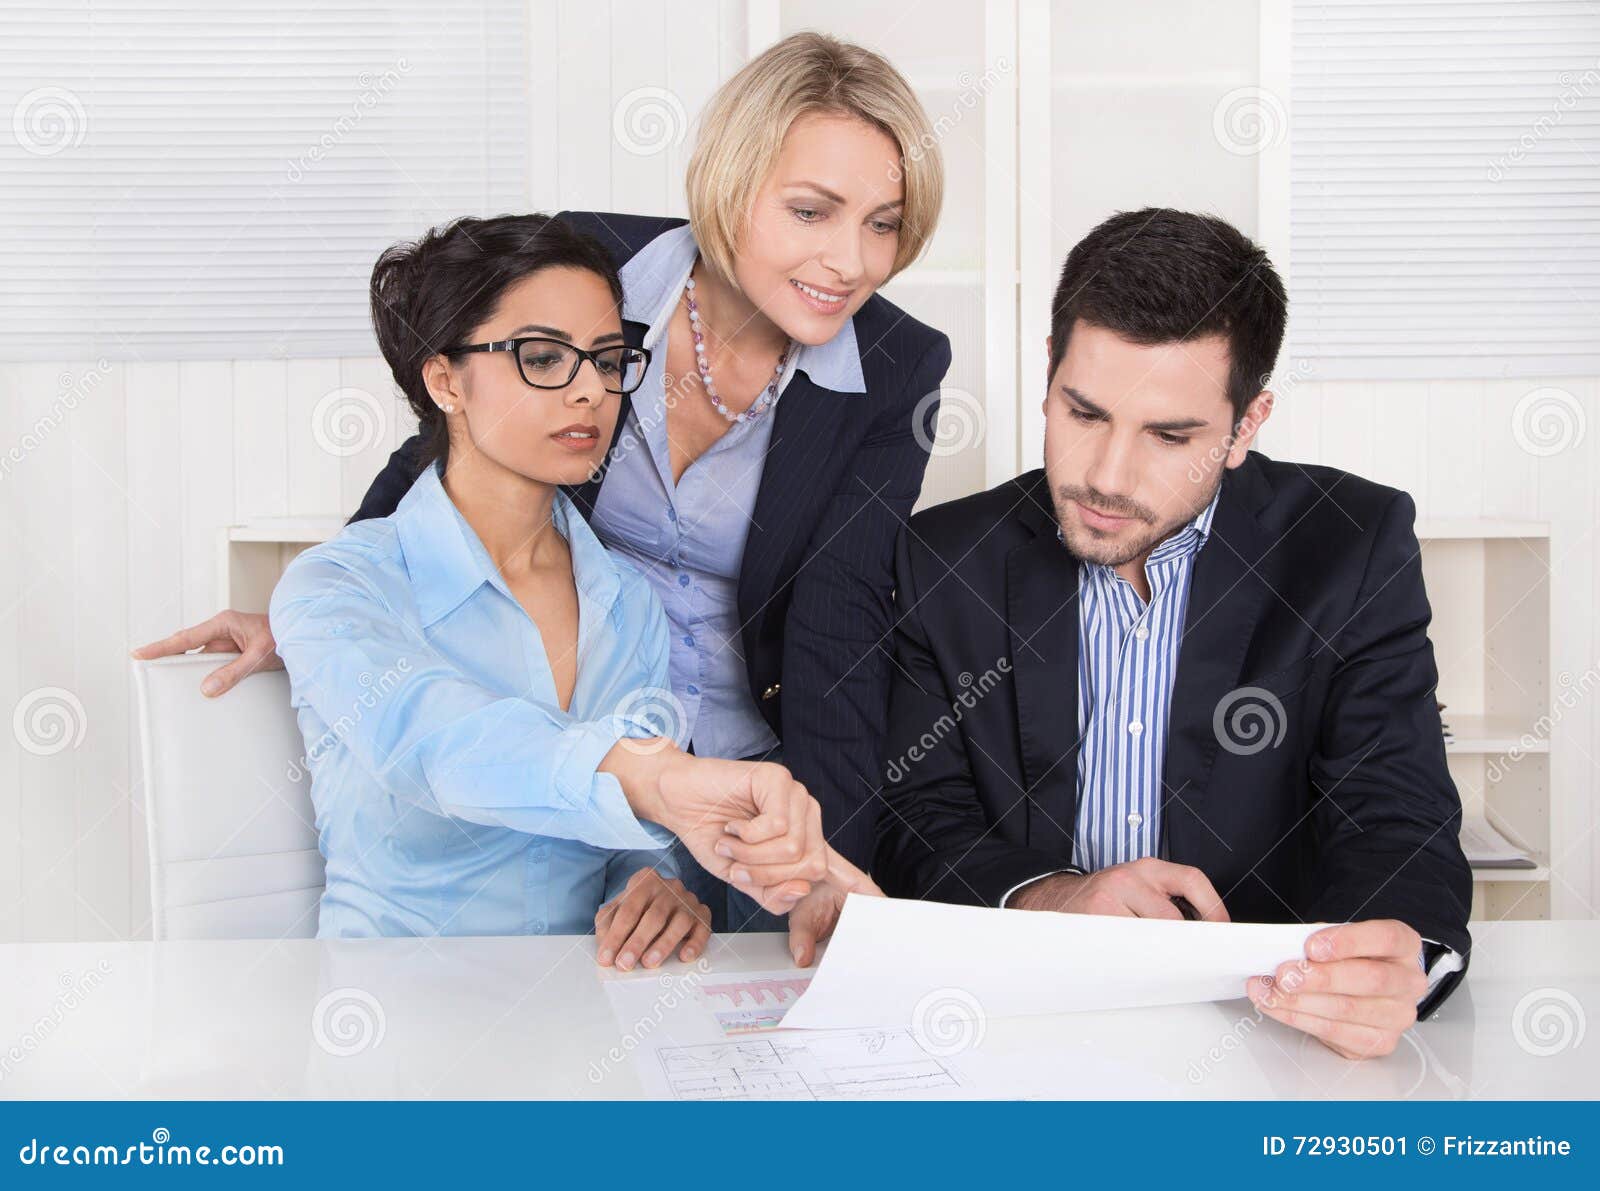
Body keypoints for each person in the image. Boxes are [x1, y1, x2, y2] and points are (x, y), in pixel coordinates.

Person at [133, 32, 947, 962]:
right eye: (812, 210)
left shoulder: (889, 373)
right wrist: (337, 604)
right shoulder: (586, 267)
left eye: (883, 223)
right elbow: (451, 448)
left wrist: (812, 865)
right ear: (733, 183)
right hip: (537, 815)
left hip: (735, 775)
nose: (850, 260)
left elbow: (837, 624)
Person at [874, 208, 1472, 1060]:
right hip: (1014, 1030)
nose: (1107, 477)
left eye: (1169, 435)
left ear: (1245, 425)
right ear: (1048, 373)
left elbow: (1393, 805)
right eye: (1084, 414)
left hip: (1270, 1033)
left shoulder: (1352, 543)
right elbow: (913, 813)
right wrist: (1054, 898)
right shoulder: (943, 557)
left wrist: (1396, 956)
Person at [261, 212, 861, 964]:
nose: (590, 392)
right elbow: (438, 739)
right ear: (445, 379)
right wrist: (655, 778)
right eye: (543, 357)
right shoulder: (339, 587)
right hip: (394, 1016)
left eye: (608, 360)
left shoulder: (628, 603)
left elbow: (624, 843)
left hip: (590, 1013)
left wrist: (654, 880)